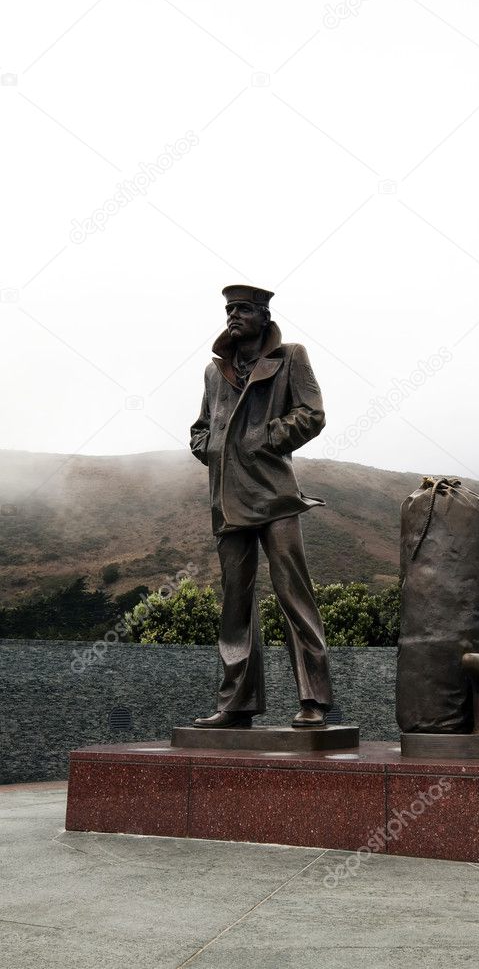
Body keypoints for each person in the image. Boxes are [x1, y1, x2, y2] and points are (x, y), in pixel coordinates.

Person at [189, 284, 333, 728]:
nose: (233, 315)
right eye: (229, 309)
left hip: (274, 494)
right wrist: (211, 447)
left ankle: (314, 699)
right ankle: (236, 704)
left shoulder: (290, 357)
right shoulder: (215, 372)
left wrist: (266, 438)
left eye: (243, 309)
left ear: (264, 316)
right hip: (227, 498)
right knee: (235, 603)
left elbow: (312, 414)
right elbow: (199, 428)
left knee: (294, 594)